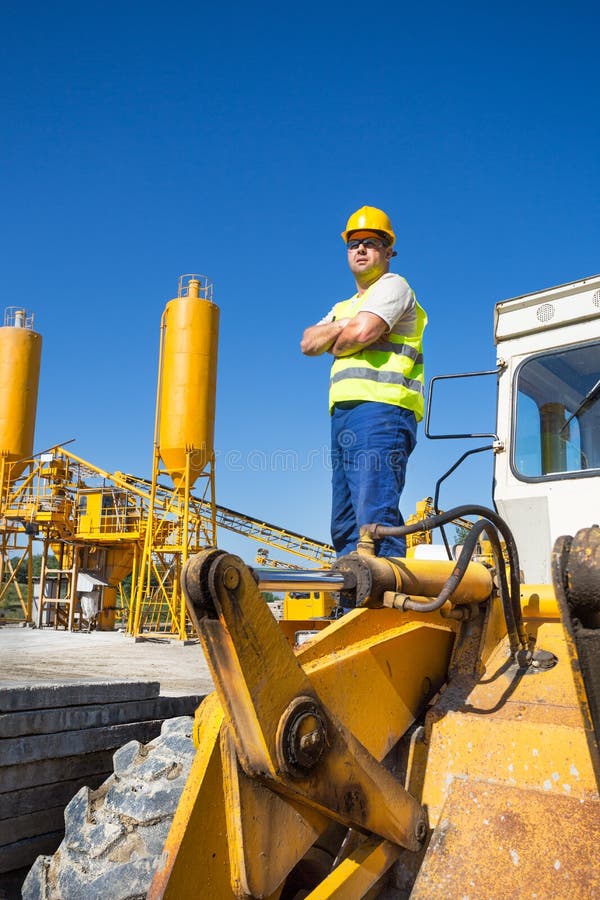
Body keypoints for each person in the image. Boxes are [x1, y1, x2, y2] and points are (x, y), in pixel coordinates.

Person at [301, 205, 427, 558]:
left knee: (375, 517)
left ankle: (386, 605)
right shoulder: (346, 305)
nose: (360, 249)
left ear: (388, 252)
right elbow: (309, 342)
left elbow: (361, 332)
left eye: (371, 242)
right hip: (344, 415)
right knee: (344, 524)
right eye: (353, 243)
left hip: (383, 411)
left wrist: (339, 337)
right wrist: (346, 328)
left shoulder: (394, 286)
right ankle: (353, 599)